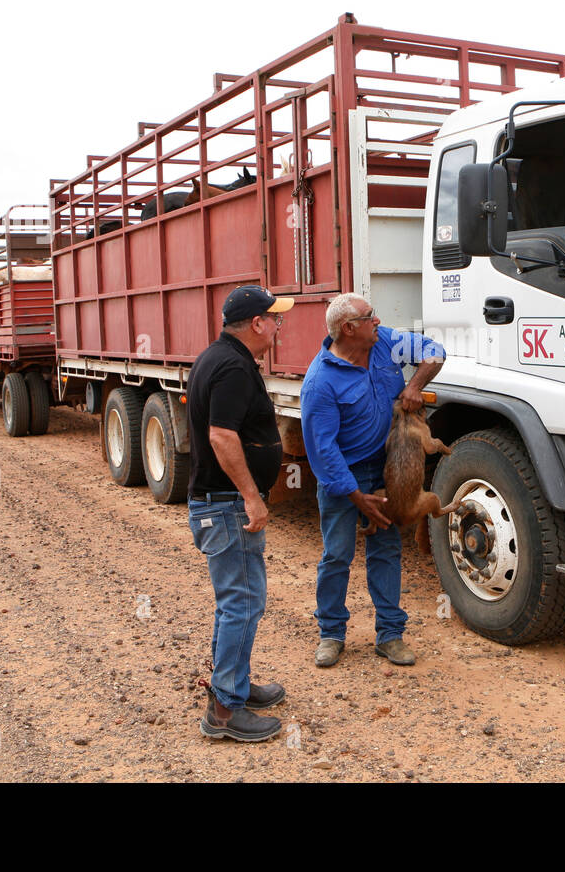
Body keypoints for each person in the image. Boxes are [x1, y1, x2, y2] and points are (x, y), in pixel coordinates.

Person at [300, 293, 446, 668]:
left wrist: (414, 386)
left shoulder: (385, 343)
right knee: (337, 555)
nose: (378, 320)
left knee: (386, 550)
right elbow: (322, 450)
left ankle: (390, 636)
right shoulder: (320, 381)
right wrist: (355, 496)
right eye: (370, 316)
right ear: (349, 329)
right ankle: (331, 634)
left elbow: (435, 351)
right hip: (341, 478)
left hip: (385, 471)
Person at [186, 284, 293, 742]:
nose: (278, 326)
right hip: (227, 506)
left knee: (237, 601)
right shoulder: (231, 366)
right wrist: (251, 496)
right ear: (256, 323)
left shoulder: (222, 357)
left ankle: (234, 685)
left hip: (221, 504)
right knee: (243, 603)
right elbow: (221, 436)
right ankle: (225, 712)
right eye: (275, 319)